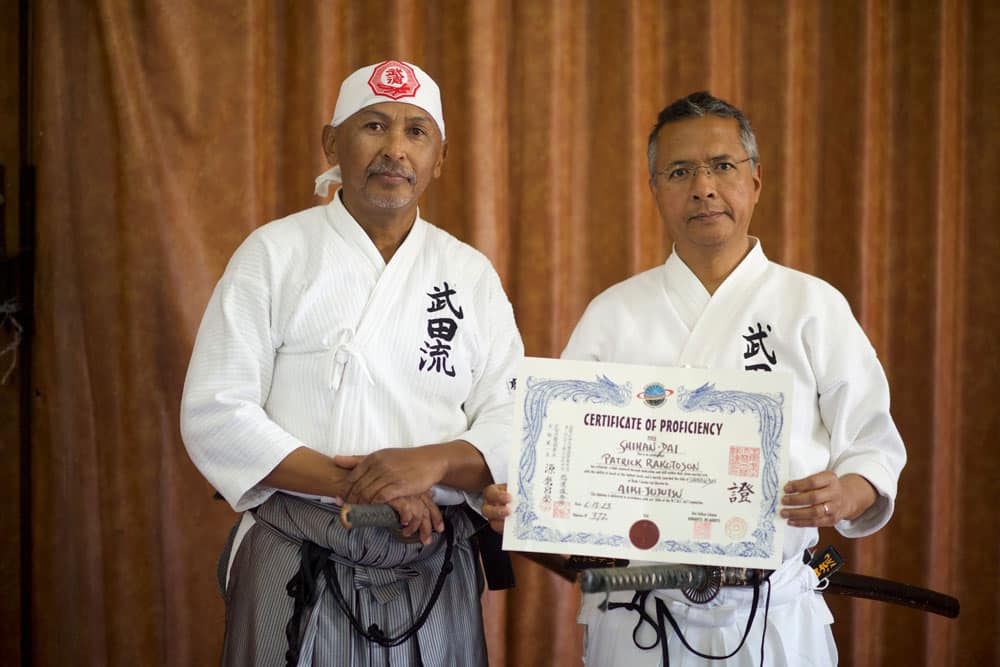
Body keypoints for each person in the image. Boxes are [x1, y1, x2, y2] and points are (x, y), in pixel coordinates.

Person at [483, 91, 906, 666]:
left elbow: (873, 447)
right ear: (655, 189)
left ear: (756, 180)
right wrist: (529, 499)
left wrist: (845, 494)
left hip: (773, 610)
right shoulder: (614, 312)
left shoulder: (812, 305)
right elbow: (564, 451)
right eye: (680, 171)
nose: (704, 187)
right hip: (638, 611)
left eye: (722, 166)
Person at [181, 60, 523, 666]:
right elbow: (218, 412)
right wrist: (366, 487)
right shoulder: (274, 254)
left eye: (417, 132)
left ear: (440, 157)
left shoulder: (469, 273)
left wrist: (432, 463)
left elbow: (513, 419)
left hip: (434, 554)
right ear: (331, 142)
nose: (395, 149)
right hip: (298, 544)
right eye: (374, 126)